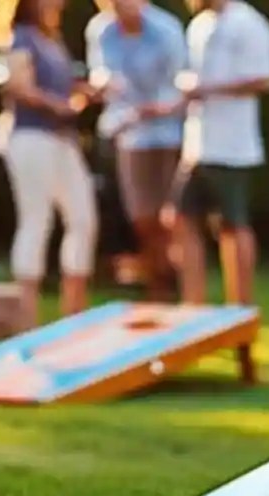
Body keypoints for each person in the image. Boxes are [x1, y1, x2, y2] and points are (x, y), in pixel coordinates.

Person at [144, 0, 269, 307]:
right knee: (177, 217)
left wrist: (209, 90)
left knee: (232, 225)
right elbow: (194, 84)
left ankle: (241, 307)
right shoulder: (199, 26)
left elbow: (265, 79)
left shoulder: (248, 23)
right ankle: (193, 305)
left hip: (233, 147)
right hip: (197, 145)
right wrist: (170, 106)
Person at [0, 0, 100, 330]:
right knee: (36, 219)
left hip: (61, 140)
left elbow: (63, 86)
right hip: (30, 138)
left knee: (83, 219)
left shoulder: (52, 41)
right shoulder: (20, 38)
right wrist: (60, 106)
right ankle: (26, 318)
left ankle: (74, 314)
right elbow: (19, 87)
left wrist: (88, 93)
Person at [87, 0, 187, 301]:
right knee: (142, 216)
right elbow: (100, 72)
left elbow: (181, 79)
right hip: (130, 133)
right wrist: (104, 85)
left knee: (171, 215)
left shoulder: (166, 29)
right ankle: (156, 278)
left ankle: (173, 280)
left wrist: (158, 108)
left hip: (168, 129)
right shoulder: (102, 30)